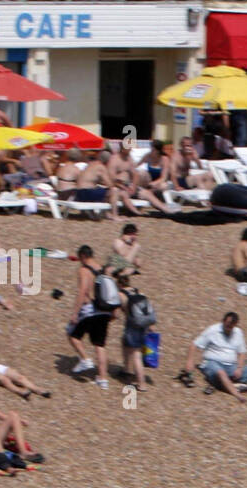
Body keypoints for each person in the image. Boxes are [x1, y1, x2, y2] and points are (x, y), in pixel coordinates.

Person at [183, 311, 247, 403]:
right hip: (212, 362)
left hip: (231, 365)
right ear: (223, 321)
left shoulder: (238, 332)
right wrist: (190, 361)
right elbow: (194, 344)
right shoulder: (212, 330)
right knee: (221, 373)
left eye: (231, 327)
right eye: (227, 325)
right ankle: (237, 394)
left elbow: (242, 352)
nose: (229, 328)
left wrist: (239, 368)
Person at [67, 244, 115, 389]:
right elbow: (112, 291)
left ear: (82, 256)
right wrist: (114, 311)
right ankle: (103, 379)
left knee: (72, 334)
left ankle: (85, 359)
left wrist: (75, 313)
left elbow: (83, 291)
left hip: (90, 309)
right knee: (99, 344)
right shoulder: (103, 269)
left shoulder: (84, 270)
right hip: (105, 310)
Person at [117, 271, 156, 391]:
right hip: (143, 325)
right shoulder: (138, 292)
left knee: (136, 354)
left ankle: (141, 383)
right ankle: (126, 369)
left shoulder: (120, 294)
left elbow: (118, 311)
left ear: (118, 284)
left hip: (132, 326)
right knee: (124, 343)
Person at [74, 150, 123, 221]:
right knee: (114, 191)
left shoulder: (90, 164)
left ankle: (104, 213)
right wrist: (118, 184)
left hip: (79, 194)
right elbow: (110, 185)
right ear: (108, 161)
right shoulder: (101, 167)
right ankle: (115, 215)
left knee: (100, 190)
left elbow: (91, 180)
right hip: (87, 193)